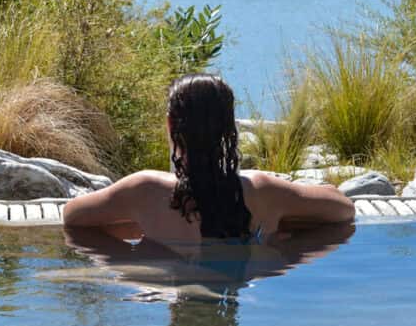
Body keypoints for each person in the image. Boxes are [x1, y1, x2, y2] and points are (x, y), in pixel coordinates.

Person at [63, 74, 355, 243]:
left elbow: (72, 217)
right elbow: (344, 210)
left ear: (170, 124)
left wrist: (137, 229)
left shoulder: (143, 191)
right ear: (230, 128)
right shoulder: (262, 191)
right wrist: (285, 232)